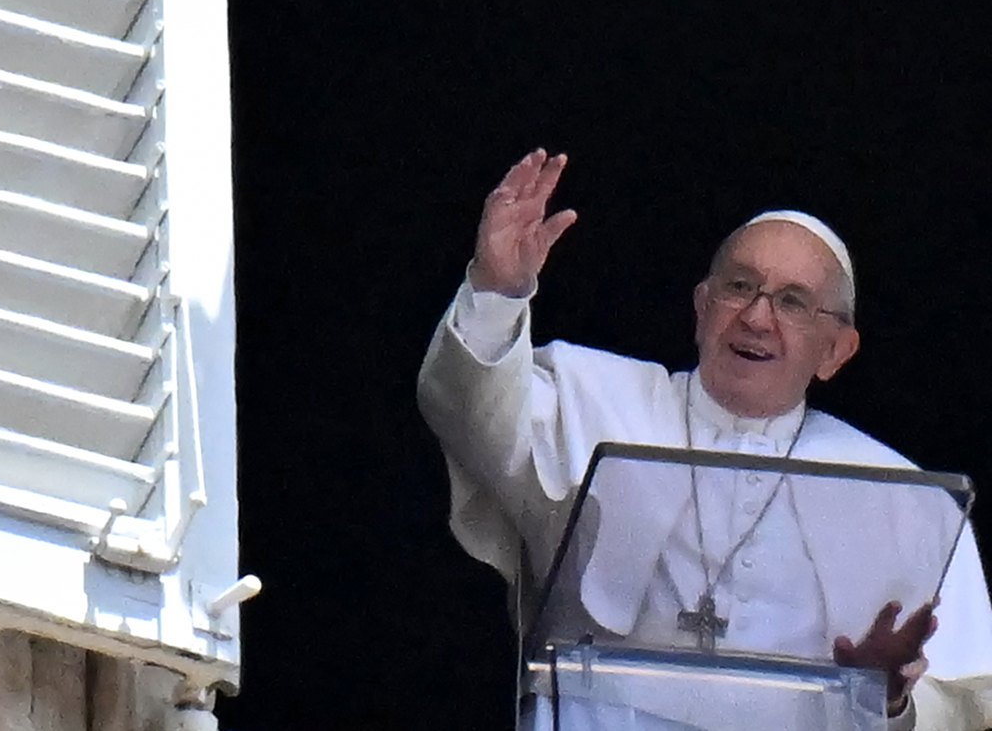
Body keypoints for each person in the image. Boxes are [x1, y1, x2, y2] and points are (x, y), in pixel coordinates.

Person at [419, 150, 992, 729]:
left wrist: (887, 698)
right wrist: (496, 291)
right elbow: (472, 412)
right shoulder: (590, 397)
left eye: (792, 301)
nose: (757, 317)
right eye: (740, 286)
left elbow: (963, 705)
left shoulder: (906, 497)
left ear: (836, 351)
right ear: (702, 307)